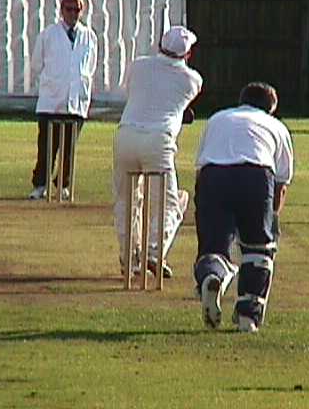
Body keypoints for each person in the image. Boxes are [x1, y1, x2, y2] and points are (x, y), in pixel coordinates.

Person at [194, 82, 294, 333]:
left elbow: (201, 167)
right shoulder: (276, 127)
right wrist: (270, 220)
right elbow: (281, 184)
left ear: (241, 101)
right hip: (255, 174)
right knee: (258, 249)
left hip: (213, 175)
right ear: (271, 109)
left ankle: (212, 276)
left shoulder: (218, 119)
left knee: (213, 247)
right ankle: (248, 317)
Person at [113, 25, 203, 278]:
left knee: (126, 200)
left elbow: (134, 92)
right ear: (188, 55)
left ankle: (129, 258)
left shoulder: (137, 65)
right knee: (169, 203)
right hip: (158, 141)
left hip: (126, 134)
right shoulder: (193, 80)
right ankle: (153, 252)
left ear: (159, 46)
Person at [28, 0, 98, 200]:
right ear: (61, 10)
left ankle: (63, 184)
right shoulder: (48, 34)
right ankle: (40, 185)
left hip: (76, 100)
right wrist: (51, 81)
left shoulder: (89, 36)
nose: (73, 14)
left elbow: (90, 66)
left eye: (76, 10)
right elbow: (36, 64)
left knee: (69, 148)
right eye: (69, 9)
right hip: (51, 99)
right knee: (47, 147)